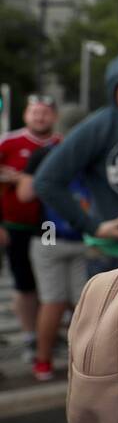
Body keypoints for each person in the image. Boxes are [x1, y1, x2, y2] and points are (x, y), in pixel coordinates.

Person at [34, 54, 118, 271]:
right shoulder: (99, 127)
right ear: (114, 89)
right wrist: (91, 226)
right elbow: (46, 181)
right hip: (111, 255)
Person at [14, 116, 91, 382]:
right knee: (81, 306)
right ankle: (81, 364)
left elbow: (25, 194)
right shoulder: (89, 154)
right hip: (82, 235)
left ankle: (43, 362)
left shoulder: (43, 155)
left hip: (48, 234)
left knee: (52, 302)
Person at [0, 94, 61, 365]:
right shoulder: (10, 142)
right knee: (24, 282)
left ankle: (47, 333)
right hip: (15, 225)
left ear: (54, 116)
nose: (40, 117)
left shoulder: (62, 144)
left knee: (47, 281)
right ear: (26, 115)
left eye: (45, 112)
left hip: (47, 227)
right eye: (35, 112)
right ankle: (29, 335)